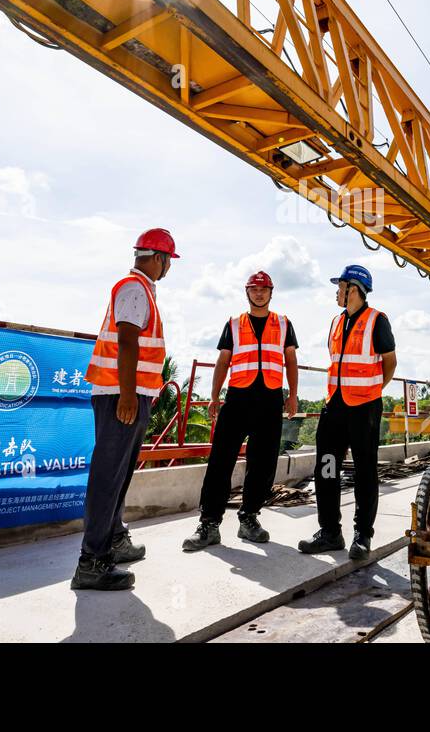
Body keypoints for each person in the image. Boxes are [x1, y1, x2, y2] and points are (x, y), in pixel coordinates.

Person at [71, 228, 179, 591]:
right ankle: (92, 562)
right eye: (168, 262)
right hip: (121, 394)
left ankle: (114, 537)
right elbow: (128, 341)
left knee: (118, 474)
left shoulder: (140, 289)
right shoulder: (134, 289)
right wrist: (129, 395)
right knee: (108, 476)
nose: (168, 269)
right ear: (159, 258)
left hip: (128, 393)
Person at [183, 271, 299, 551]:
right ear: (247, 292)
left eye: (264, 289)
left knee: (263, 463)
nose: (259, 293)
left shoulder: (284, 324)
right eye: (254, 289)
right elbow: (223, 361)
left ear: (271, 292)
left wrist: (293, 395)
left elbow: (291, 360)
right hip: (237, 399)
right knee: (221, 461)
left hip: (270, 399)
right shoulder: (234, 324)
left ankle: (249, 518)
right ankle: (209, 524)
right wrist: (214, 396)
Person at [298, 264, 397, 561]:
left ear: (353, 288)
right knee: (327, 467)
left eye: (339, 287)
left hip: (365, 408)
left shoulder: (377, 321)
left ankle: (362, 534)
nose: (336, 292)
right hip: (335, 407)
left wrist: (373, 391)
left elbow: (390, 362)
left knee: (365, 471)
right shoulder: (335, 322)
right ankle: (330, 532)